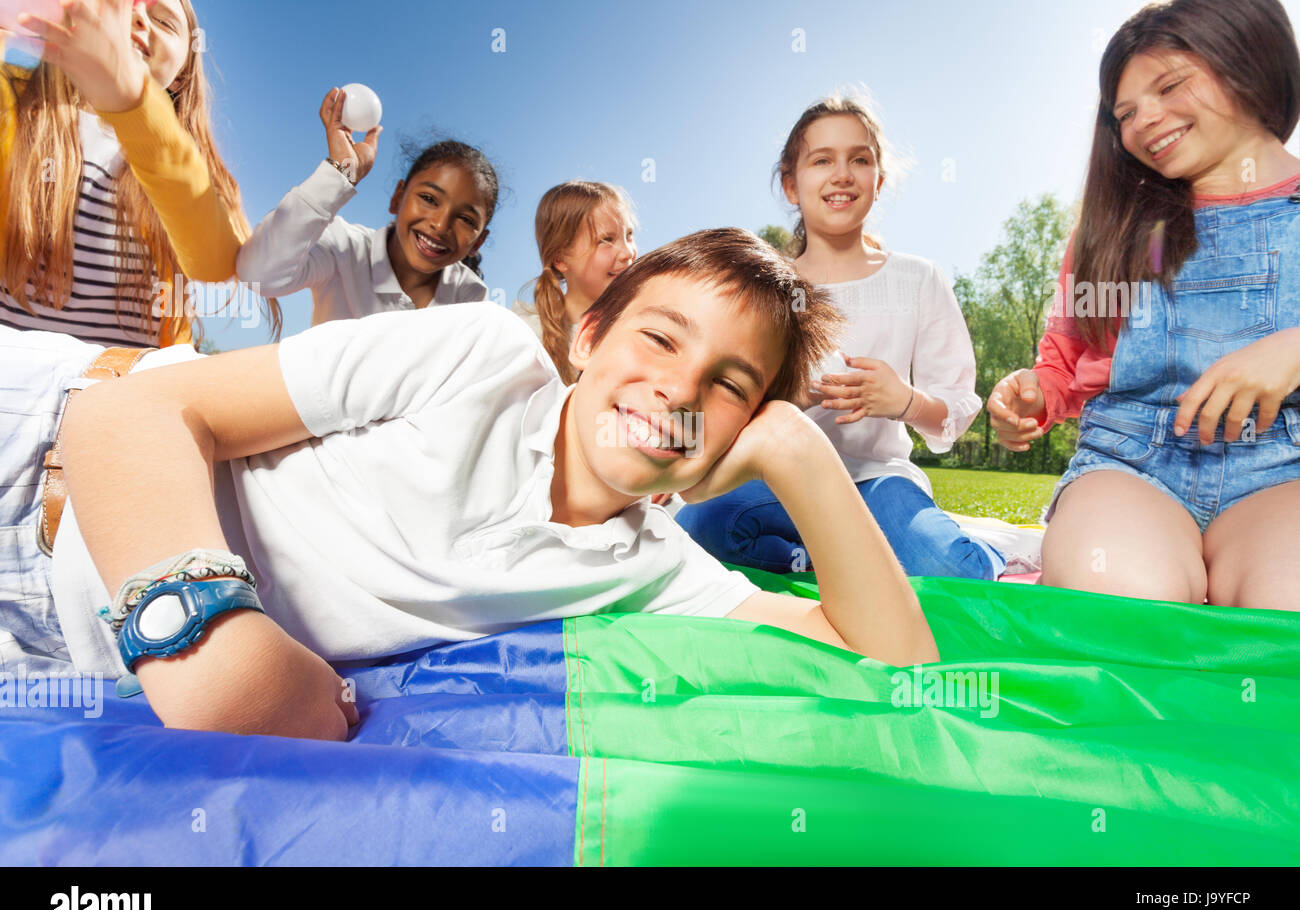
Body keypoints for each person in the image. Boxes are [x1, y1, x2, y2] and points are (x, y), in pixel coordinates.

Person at [2, 228, 938, 741]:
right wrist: (215, 642)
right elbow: (127, 420)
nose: (680, 389)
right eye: (659, 337)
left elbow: (900, 670)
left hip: (57, 649)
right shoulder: (477, 356)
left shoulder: (661, 574)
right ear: (588, 335)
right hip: (41, 449)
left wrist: (797, 447)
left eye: (732, 386)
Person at [987, 0, 1300, 611]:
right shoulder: (1118, 229)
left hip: (1283, 468)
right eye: (1125, 113)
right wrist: (1034, 394)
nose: (1144, 121)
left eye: (1168, 86)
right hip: (1133, 463)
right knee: (1121, 598)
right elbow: (1067, 358)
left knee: (1286, 605)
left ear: (1247, 59)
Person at [677, 94, 1003, 580]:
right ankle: (819, 557)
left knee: (949, 570)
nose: (842, 174)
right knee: (696, 530)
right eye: (822, 160)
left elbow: (954, 407)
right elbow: (723, 396)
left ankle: (992, 553)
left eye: (859, 159)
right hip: (777, 478)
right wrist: (789, 395)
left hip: (876, 481)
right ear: (792, 184)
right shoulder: (767, 286)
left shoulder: (918, 279)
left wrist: (905, 401)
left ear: (878, 180)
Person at [1, 0, 278, 346]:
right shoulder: (16, 106)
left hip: (130, 388)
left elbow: (216, 266)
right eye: (120, 7)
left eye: (164, 21)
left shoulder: (189, 163)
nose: (138, 19)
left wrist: (132, 103)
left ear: (181, 76)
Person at [236, 88, 497, 324]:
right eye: (428, 199)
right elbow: (259, 275)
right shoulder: (344, 249)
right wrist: (341, 173)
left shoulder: (470, 297)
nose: (440, 225)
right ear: (398, 198)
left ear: (478, 242)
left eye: (466, 219)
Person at [521, 180, 636, 382]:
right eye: (606, 240)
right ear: (561, 259)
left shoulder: (640, 325)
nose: (628, 252)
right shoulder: (527, 335)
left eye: (629, 235)